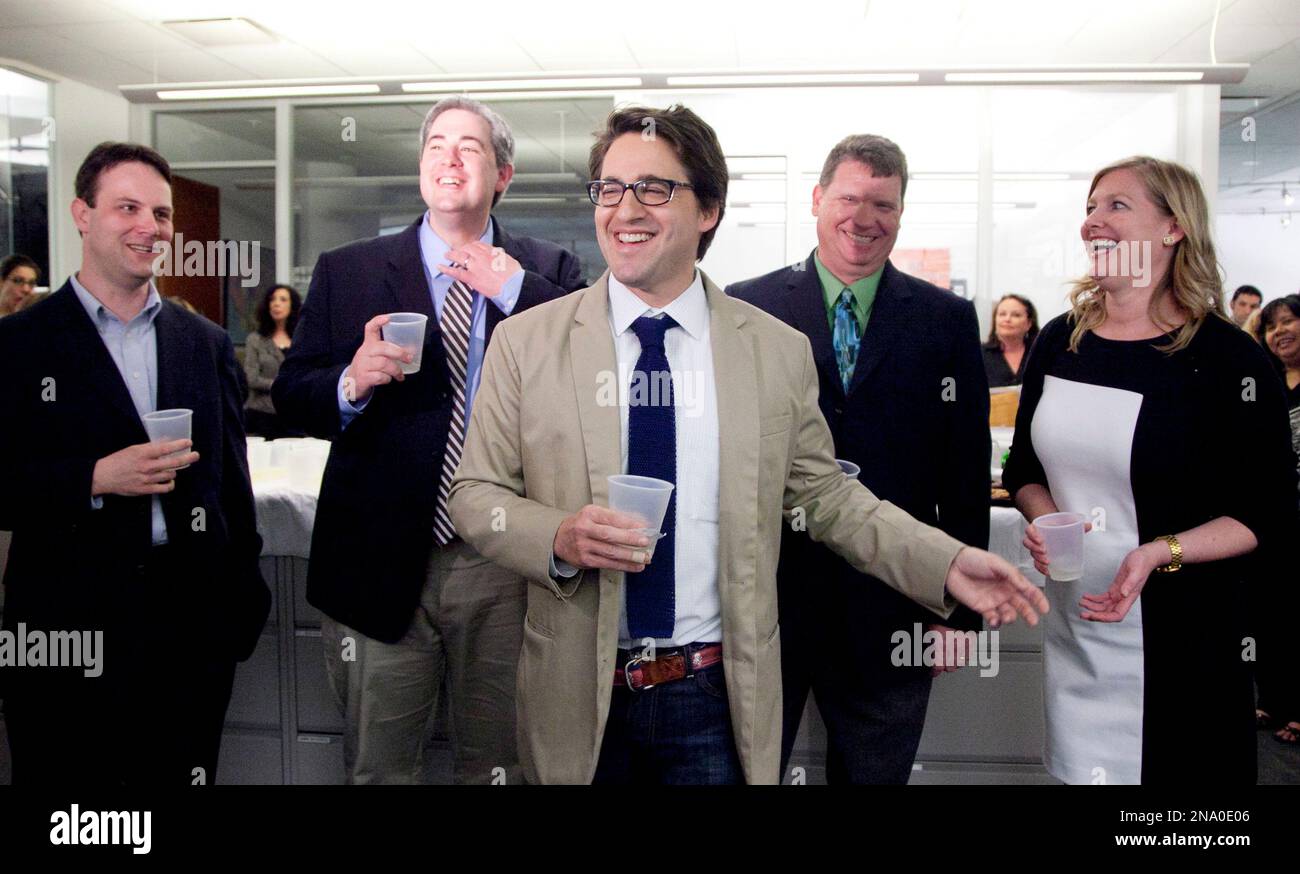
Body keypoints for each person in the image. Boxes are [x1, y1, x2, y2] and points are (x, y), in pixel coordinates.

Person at [448, 104, 1047, 786]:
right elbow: (475, 495)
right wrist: (557, 535)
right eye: (609, 189)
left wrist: (945, 564)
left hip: (715, 696)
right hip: (577, 691)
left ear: (708, 209)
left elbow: (827, 498)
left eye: (653, 188)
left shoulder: (773, 350)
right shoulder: (527, 343)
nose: (624, 209)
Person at [272, 97, 584, 785]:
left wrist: (515, 292)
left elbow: (590, 376)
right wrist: (350, 383)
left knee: (499, 767)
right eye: (435, 145)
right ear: (420, 168)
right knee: (382, 769)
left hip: (501, 559)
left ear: (502, 173)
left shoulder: (549, 272)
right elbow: (291, 394)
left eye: (469, 147)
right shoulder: (349, 269)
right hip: (376, 557)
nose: (449, 157)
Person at [1003, 156, 1296, 784]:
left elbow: (1267, 510)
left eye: (1116, 206)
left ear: (1173, 228)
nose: (1092, 223)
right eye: (1089, 208)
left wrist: (1159, 551)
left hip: (1185, 635)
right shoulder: (1062, 340)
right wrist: (1045, 514)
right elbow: (1023, 464)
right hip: (1080, 620)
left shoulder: (1226, 359)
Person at [0, 142, 270, 785]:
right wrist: (93, 478)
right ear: (82, 214)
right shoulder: (18, 344)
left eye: (162, 213)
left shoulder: (203, 342)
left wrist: (239, 603)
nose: (150, 227)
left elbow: (232, 484)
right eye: (127, 207)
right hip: (68, 628)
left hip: (190, 629)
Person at [726, 134, 989, 784]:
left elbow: (964, 470)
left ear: (901, 214)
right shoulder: (745, 307)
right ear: (817, 199)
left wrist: (958, 610)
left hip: (892, 604)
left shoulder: (945, 320)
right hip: (766, 602)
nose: (864, 218)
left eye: (884, 204)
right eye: (849, 197)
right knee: (741, 771)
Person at [1251, 294, 1300, 746]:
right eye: (1271, 326)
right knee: (1274, 610)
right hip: (1276, 513)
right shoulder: (1265, 381)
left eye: (1289, 322)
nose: (1279, 331)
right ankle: (1275, 697)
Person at [244, 283, 302, 438]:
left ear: (292, 306)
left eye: (283, 300)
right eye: (272, 300)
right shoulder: (255, 340)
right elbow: (252, 379)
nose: (276, 303)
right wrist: (282, 385)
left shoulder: (300, 340)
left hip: (295, 415)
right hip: (262, 415)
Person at [982, 294, 1039, 387]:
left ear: (1029, 323)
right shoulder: (979, 355)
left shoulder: (1039, 355)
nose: (1007, 319)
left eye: (1016, 315)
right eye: (1002, 314)